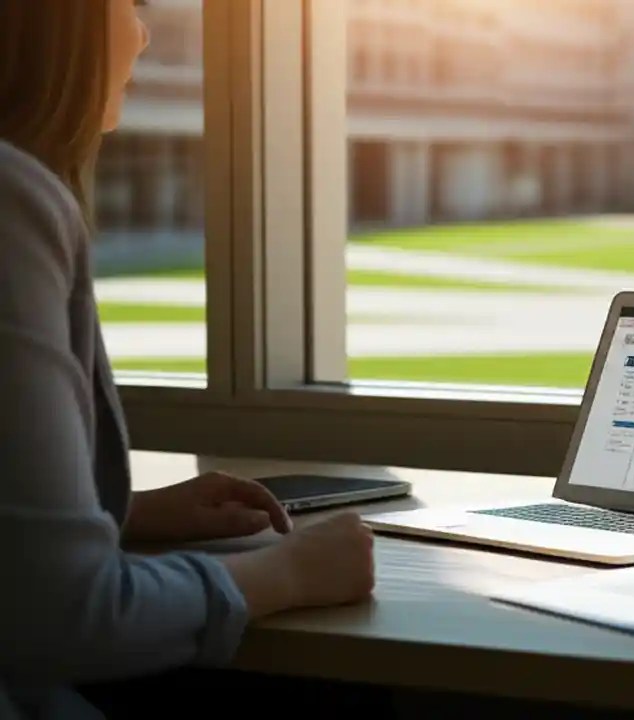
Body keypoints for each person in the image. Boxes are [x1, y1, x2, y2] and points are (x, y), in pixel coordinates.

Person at [0, 2, 377, 718]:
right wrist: (287, 574)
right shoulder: (10, 200)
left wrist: (117, 515)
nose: (142, 33)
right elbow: (66, 617)